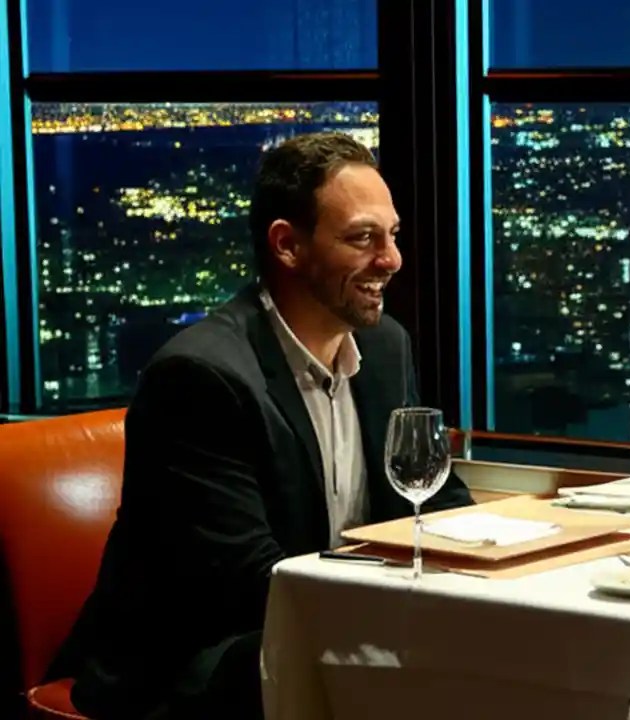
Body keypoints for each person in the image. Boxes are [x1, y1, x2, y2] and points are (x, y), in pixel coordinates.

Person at [53, 132, 474, 719]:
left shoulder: (384, 348)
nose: (392, 259)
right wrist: (407, 603)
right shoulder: (199, 376)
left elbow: (437, 503)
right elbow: (246, 583)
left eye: (393, 235)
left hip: (328, 627)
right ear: (287, 245)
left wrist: (501, 558)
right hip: (196, 666)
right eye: (363, 238)